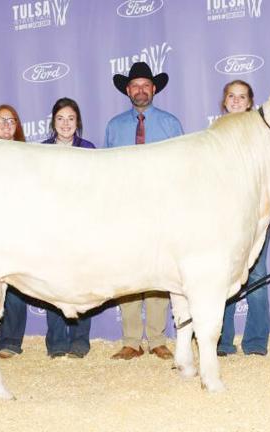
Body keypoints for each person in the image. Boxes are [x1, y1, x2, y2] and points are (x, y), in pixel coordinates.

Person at [104, 61, 184, 360]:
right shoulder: (115, 126)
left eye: (145, 85)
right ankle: (131, 341)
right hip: (125, 207)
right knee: (127, 270)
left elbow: (182, 167)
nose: (140, 90)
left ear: (154, 89)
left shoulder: (170, 124)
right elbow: (105, 170)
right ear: (128, 90)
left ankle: (158, 339)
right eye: (134, 85)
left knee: (159, 272)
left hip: (161, 207)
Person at [215, 80, 270, 357]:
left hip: (255, 214)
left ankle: (256, 342)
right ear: (224, 101)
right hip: (224, 216)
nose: (236, 101)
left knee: (257, 277)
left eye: (242, 97)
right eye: (231, 96)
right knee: (224, 277)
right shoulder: (214, 134)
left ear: (250, 102)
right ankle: (223, 342)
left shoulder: (261, 134)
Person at [38, 97, 96, 358]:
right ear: (53, 122)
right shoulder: (40, 151)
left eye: (71, 119)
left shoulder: (90, 149)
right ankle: (56, 341)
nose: (65, 124)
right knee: (52, 282)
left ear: (78, 122)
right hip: (51, 226)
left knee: (84, 280)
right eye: (60, 119)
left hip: (83, 225)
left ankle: (80, 340)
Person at [0, 105, 31, 358]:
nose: (5, 125)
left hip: (17, 227)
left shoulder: (27, 154)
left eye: (10, 120)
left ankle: (11, 341)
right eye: (0, 120)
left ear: (17, 125)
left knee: (16, 284)